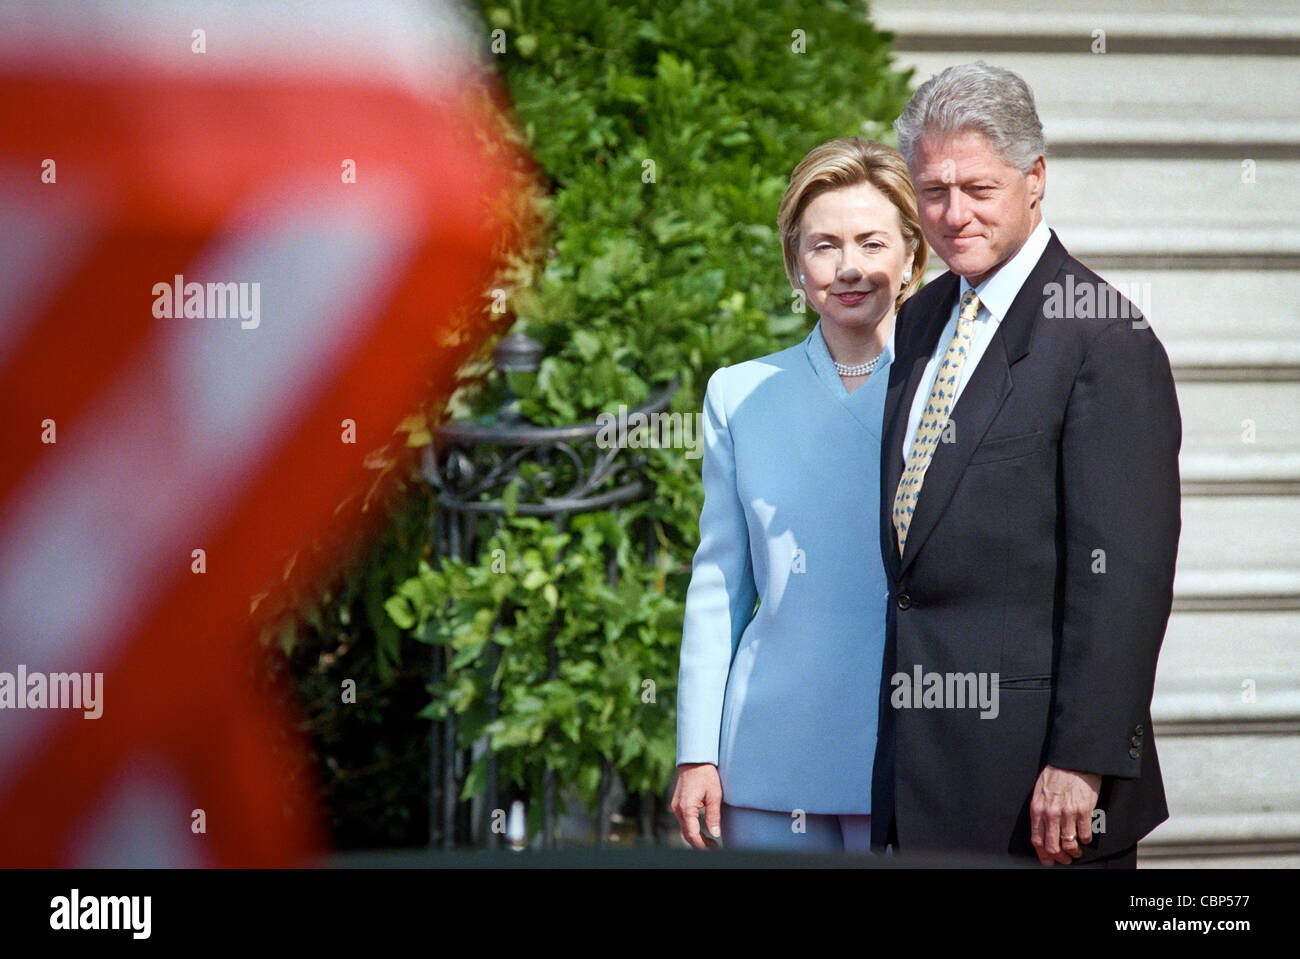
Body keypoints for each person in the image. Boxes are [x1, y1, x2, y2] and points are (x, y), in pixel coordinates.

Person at [871, 62, 1181, 867]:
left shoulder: (1104, 336)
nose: (953, 213)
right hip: (919, 771)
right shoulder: (923, 317)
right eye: (932, 190)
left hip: (1039, 795)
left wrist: (1083, 760)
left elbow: (1126, 573)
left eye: (978, 188)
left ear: (1035, 178)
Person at [671, 137, 926, 852]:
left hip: (911, 756)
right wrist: (698, 749)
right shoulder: (738, 392)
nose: (849, 267)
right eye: (824, 245)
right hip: (768, 756)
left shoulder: (950, 389)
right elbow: (719, 579)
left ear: (912, 256)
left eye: (872, 242)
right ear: (794, 263)